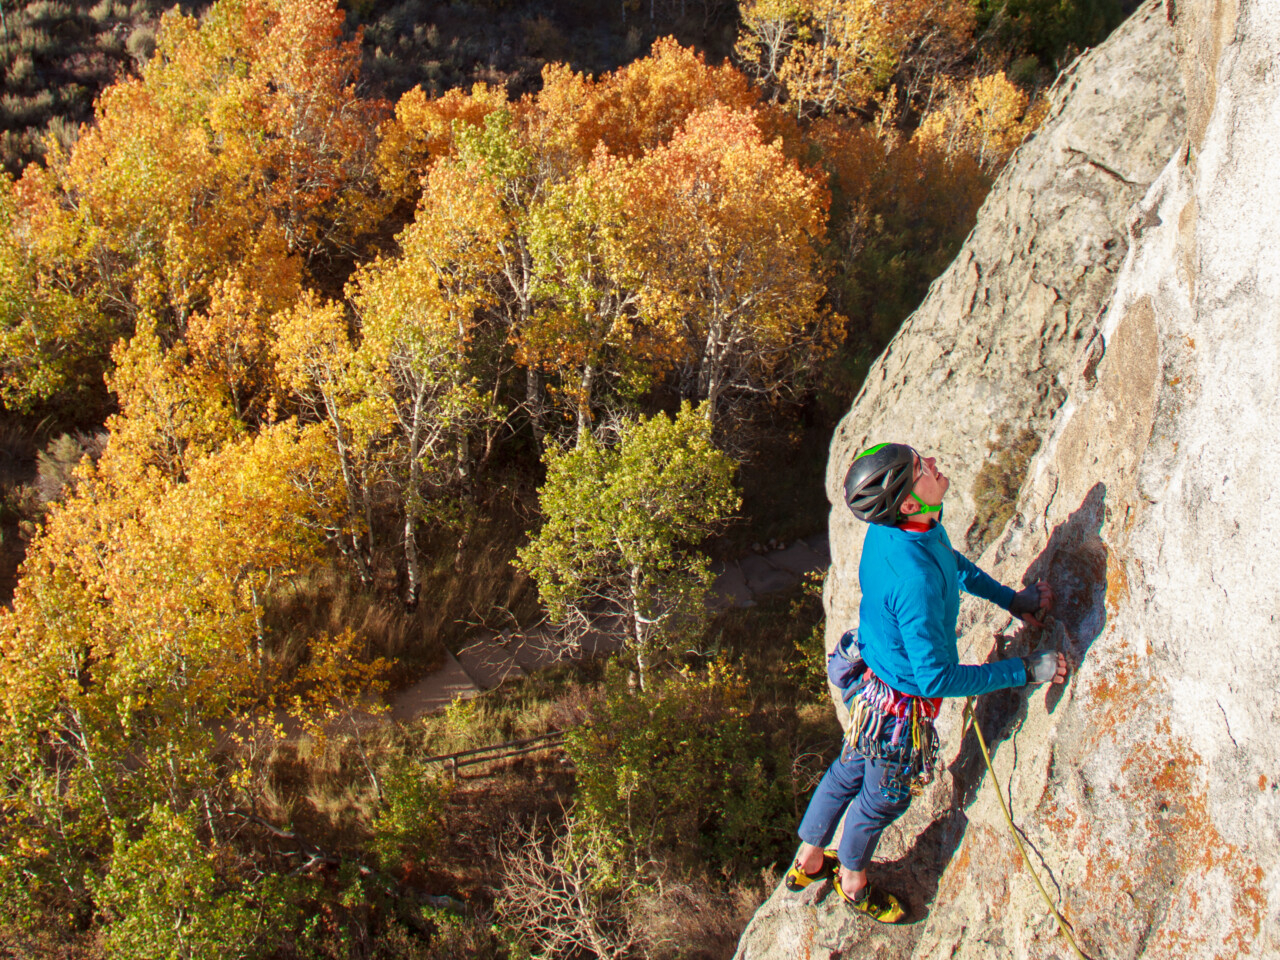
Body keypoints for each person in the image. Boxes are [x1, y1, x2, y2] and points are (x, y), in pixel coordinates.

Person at [785, 442, 1068, 922]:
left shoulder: (903, 530)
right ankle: (851, 881)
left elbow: (951, 565)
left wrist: (1012, 600)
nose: (934, 463)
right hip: (897, 711)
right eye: (921, 468)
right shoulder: (911, 577)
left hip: (870, 681)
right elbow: (936, 678)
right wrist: (1024, 672)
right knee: (880, 799)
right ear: (910, 502)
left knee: (848, 768)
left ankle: (809, 859)